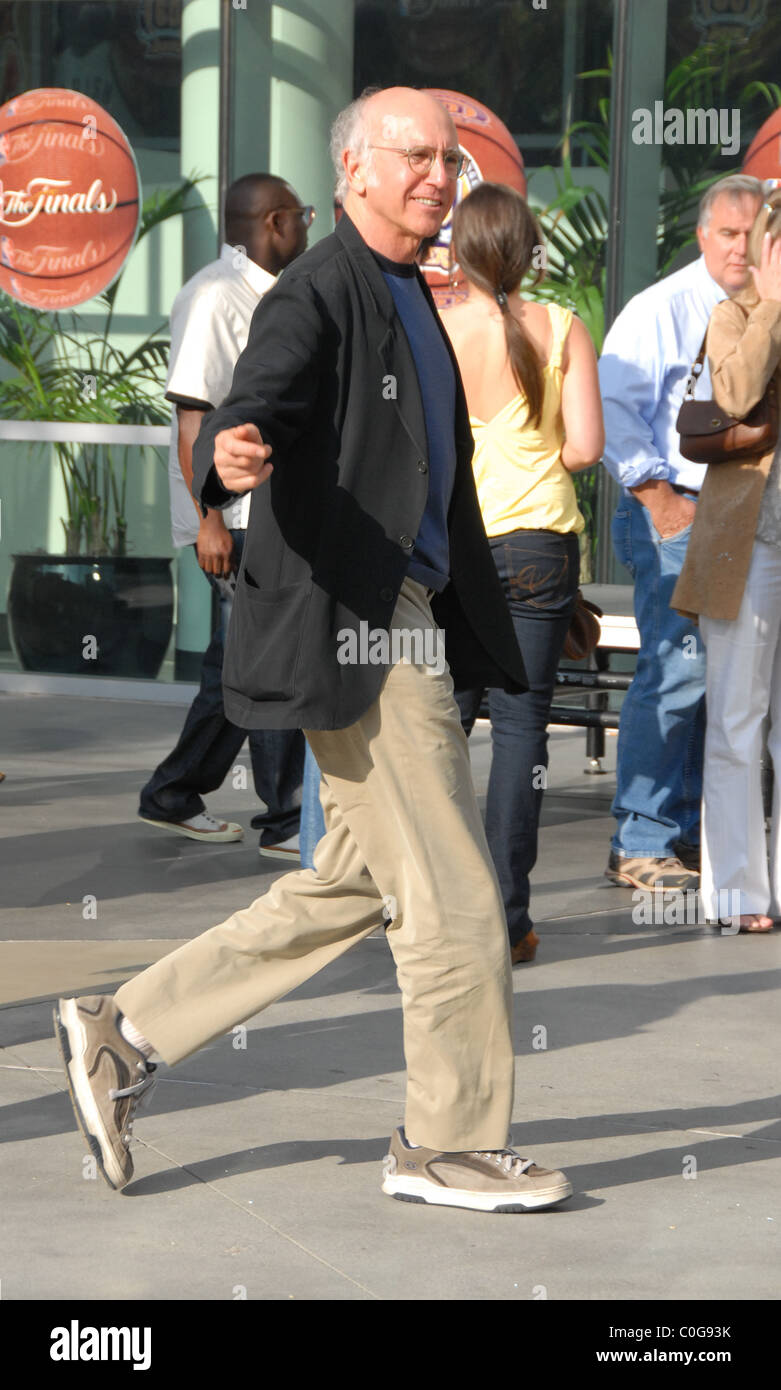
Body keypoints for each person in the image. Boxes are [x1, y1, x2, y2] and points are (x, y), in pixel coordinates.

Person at [54, 87, 573, 1215]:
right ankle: (444, 1143)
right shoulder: (321, 287)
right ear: (354, 171)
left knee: (344, 883)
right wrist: (229, 457)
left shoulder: (409, 290)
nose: (443, 175)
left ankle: (122, 1031)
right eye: (418, 157)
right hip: (363, 628)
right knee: (450, 897)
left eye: (451, 159)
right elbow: (259, 399)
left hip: (410, 622)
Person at [439, 182, 603, 964]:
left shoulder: (435, 332)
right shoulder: (562, 327)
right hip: (539, 547)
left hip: (458, 551)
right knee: (520, 732)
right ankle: (506, 920)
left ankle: (436, 912)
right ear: (528, 248)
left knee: (443, 727)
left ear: (459, 252)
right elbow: (584, 450)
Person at [599, 174, 763, 893]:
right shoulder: (661, 307)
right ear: (701, 235)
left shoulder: (766, 306)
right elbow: (611, 407)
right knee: (676, 673)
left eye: (750, 233)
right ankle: (641, 836)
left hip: (746, 514)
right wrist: (655, 496)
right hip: (676, 510)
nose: (739, 246)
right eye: (726, 233)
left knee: (727, 682)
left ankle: (688, 834)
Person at [138, 174, 308, 860]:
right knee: (267, 659)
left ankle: (174, 792)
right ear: (272, 223)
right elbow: (193, 420)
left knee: (236, 662)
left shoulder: (270, 293)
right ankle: (285, 816)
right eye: (301, 216)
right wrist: (209, 519)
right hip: (232, 518)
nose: (307, 226)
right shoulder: (215, 296)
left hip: (260, 514)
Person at [672, 193, 781, 932]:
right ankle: (739, 892)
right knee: (738, 721)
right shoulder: (735, 314)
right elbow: (734, 394)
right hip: (751, 546)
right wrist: (772, 306)